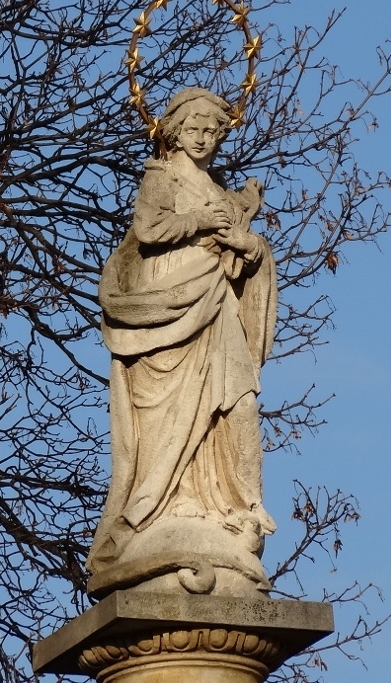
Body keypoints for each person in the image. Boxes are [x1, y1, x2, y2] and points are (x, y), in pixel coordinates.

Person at [87, 87, 277, 597]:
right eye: (193, 128)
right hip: (168, 306)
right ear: (174, 131)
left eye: (211, 131)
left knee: (240, 404)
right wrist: (201, 221)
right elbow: (148, 231)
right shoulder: (161, 176)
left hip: (218, 309)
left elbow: (242, 252)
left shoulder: (220, 190)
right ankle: (162, 510)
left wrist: (246, 238)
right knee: (169, 421)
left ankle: (238, 510)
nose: (202, 138)